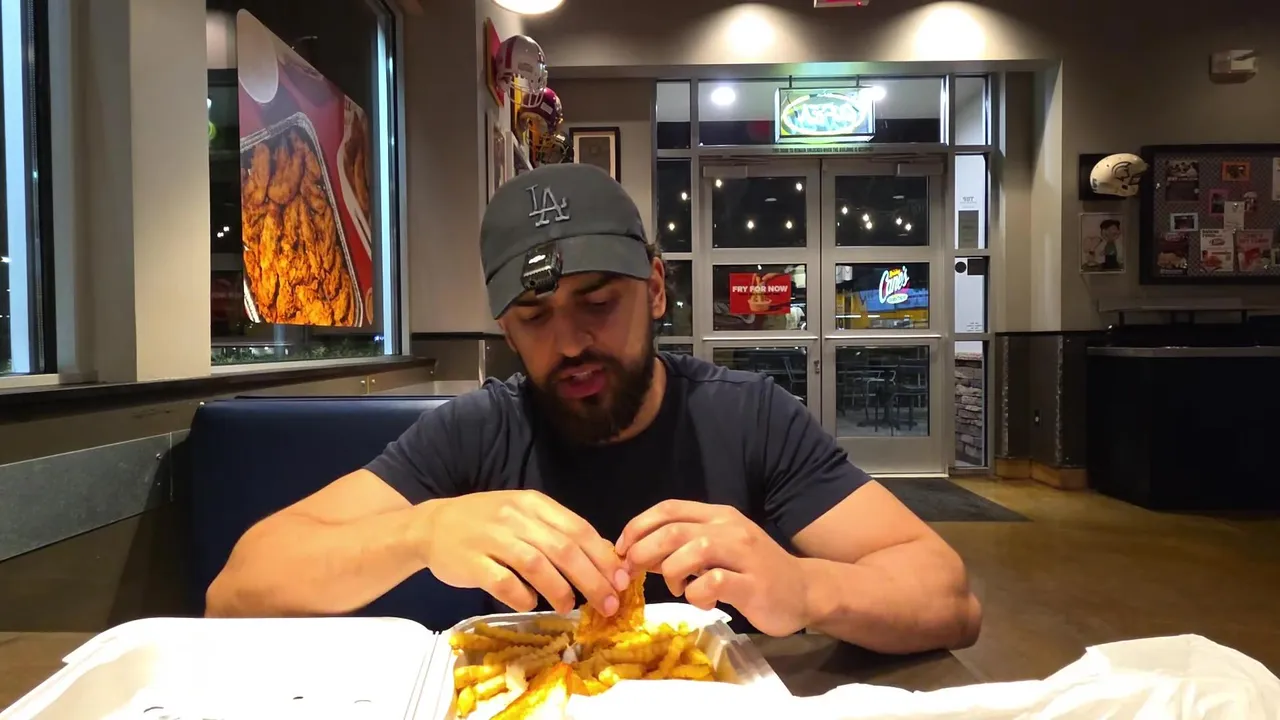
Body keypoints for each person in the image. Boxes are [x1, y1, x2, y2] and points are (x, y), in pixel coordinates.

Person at [207, 164, 982, 654]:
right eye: (535, 317)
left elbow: (949, 596)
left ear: (655, 287)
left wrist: (807, 589)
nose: (571, 342)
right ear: (505, 328)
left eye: (598, 302)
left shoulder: (749, 419)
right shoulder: (478, 431)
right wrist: (422, 532)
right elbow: (236, 592)